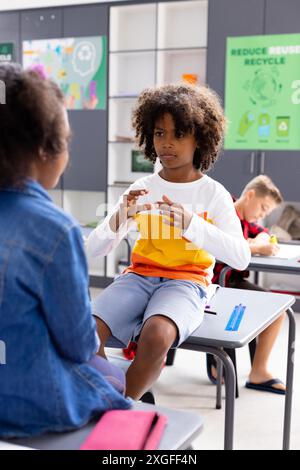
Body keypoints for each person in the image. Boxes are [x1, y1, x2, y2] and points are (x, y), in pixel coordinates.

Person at [87, 83, 251, 401]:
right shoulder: (141, 187)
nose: (167, 144)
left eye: (178, 134)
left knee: (157, 334)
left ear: (200, 138)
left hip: (187, 282)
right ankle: (116, 394)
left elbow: (241, 257)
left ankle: (125, 404)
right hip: (139, 276)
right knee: (83, 334)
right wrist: (121, 214)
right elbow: (93, 250)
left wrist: (192, 225)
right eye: (160, 133)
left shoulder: (212, 193)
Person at [0, 63, 130, 439]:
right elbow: (77, 345)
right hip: (27, 402)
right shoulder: (54, 230)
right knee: (112, 377)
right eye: (68, 140)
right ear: (46, 148)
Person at [211, 174, 286, 394]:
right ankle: (224, 360)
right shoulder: (224, 212)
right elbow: (224, 247)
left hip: (233, 282)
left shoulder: (245, 219)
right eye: (263, 208)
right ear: (250, 195)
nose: (262, 215)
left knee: (277, 308)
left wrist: (259, 241)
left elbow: (263, 233)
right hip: (217, 285)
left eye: (267, 212)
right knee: (272, 308)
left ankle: (259, 371)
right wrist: (253, 247)